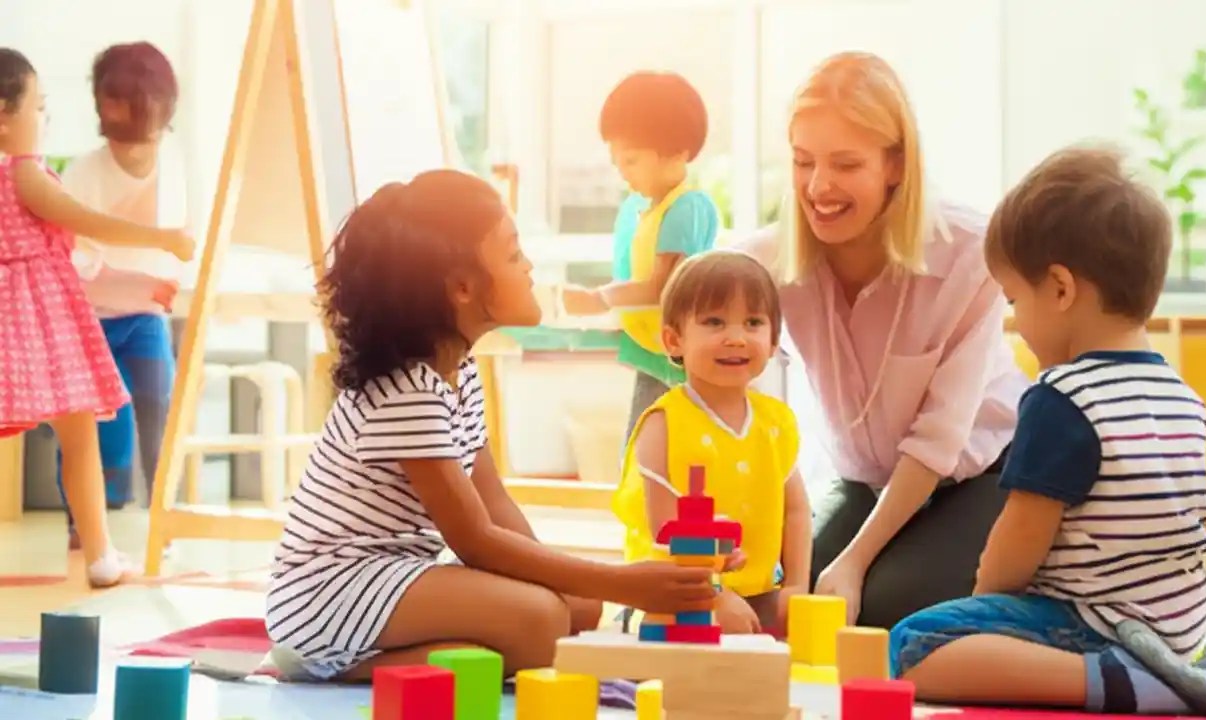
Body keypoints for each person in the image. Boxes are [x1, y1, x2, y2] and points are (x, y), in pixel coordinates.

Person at [264, 169, 719, 682]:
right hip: (330, 592)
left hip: (392, 575)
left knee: (578, 607)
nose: (529, 267)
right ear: (462, 287)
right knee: (542, 621)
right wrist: (620, 582)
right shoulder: (407, 391)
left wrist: (576, 588)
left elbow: (495, 506)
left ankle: (455, 653)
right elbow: (474, 539)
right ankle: (322, 665)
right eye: (513, 254)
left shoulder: (459, 372)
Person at [888, 145, 1206, 718]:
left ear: (1060, 289)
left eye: (1015, 300)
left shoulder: (1062, 397)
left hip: (1097, 625)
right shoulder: (1183, 397)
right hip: (1181, 624)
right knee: (1190, 650)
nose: (1015, 321)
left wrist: (984, 608)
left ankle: (1122, 684)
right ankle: (1194, 671)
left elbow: (1020, 540)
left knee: (914, 642)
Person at [737, 51, 1028, 627]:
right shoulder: (765, 263)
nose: (818, 186)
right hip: (865, 482)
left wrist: (854, 561)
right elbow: (700, 311)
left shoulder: (971, 253)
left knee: (881, 608)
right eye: (802, 161)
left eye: (845, 164)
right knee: (783, 603)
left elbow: (938, 441)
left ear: (895, 164)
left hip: (979, 475)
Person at [0, 48, 193, 587]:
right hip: (43, 320)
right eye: (38, 107)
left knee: (81, 430)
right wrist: (164, 239)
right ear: (4, 116)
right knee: (80, 432)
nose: (44, 118)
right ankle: (100, 555)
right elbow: (87, 221)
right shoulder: (24, 173)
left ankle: (100, 550)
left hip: (29, 318)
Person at [612, 249, 812, 634]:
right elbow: (665, 533)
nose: (736, 338)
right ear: (673, 340)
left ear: (773, 342)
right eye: (714, 322)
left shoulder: (775, 422)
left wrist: (796, 586)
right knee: (728, 634)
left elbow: (796, 511)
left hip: (758, 591)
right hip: (675, 592)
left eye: (753, 323)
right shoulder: (664, 423)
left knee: (820, 630)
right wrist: (715, 593)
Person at [58, 42, 186, 547]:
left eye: (143, 133)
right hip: (90, 321)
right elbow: (77, 260)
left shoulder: (175, 166)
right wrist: (137, 280)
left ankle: (163, 510)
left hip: (146, 316)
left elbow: (184, 239)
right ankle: (87, 521)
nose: (133, 149)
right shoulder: (83, 175)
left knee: (158, 403)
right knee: (97, 424)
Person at [559, 70, 721, 445]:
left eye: (631, 162)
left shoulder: (685, 209)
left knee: (663, 453)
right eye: (617, 164)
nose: (623, 174)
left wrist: (600, 298)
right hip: (655, 351)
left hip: (678, 361)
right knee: (642, 449)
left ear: (677, 153)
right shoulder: (643, 206)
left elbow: (661, 287)